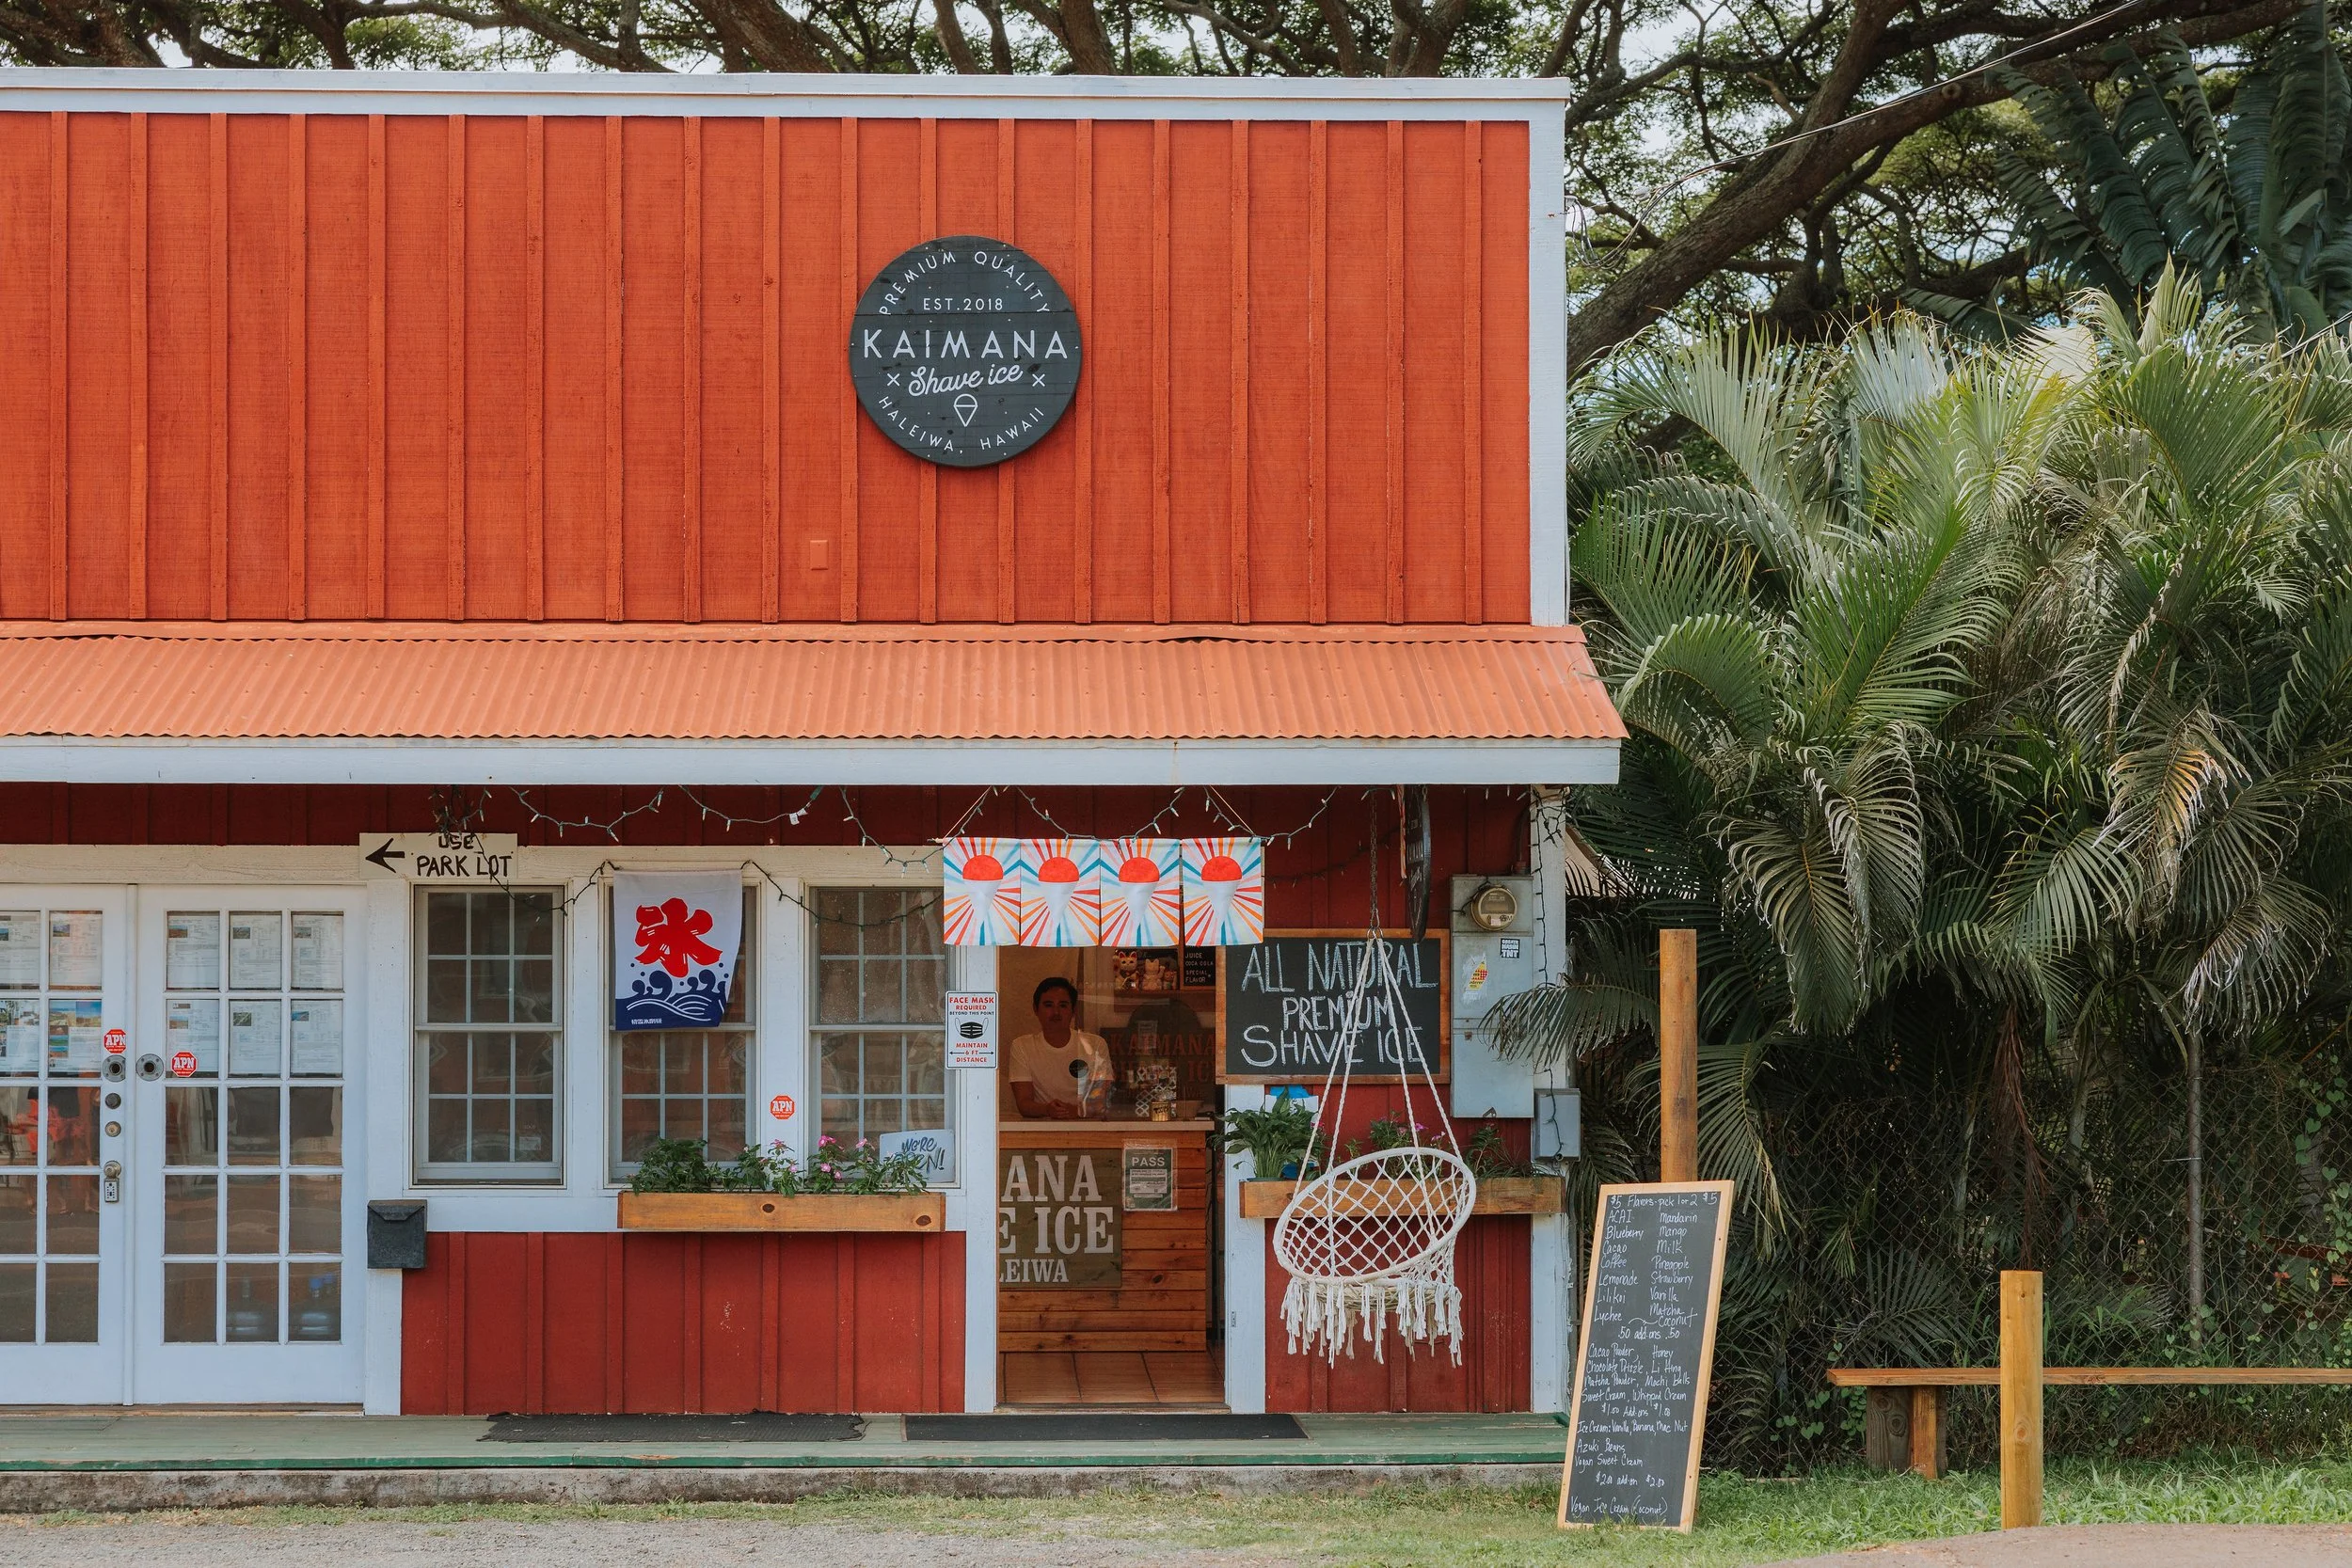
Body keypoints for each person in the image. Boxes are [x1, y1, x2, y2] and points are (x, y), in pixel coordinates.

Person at [1008, 975, 1112, 1120]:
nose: (1056, 1012)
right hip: (1040, 1130)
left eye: (1063, 1005)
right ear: (1035, 1009)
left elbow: (1099, 1102)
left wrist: (1076, 1111)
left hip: (1087, 1129)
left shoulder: (1095, 1044)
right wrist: (1047, 1109)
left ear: (1073, 1010)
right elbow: (1024, 1104)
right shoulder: (1022, 1046)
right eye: (1048, 1005)